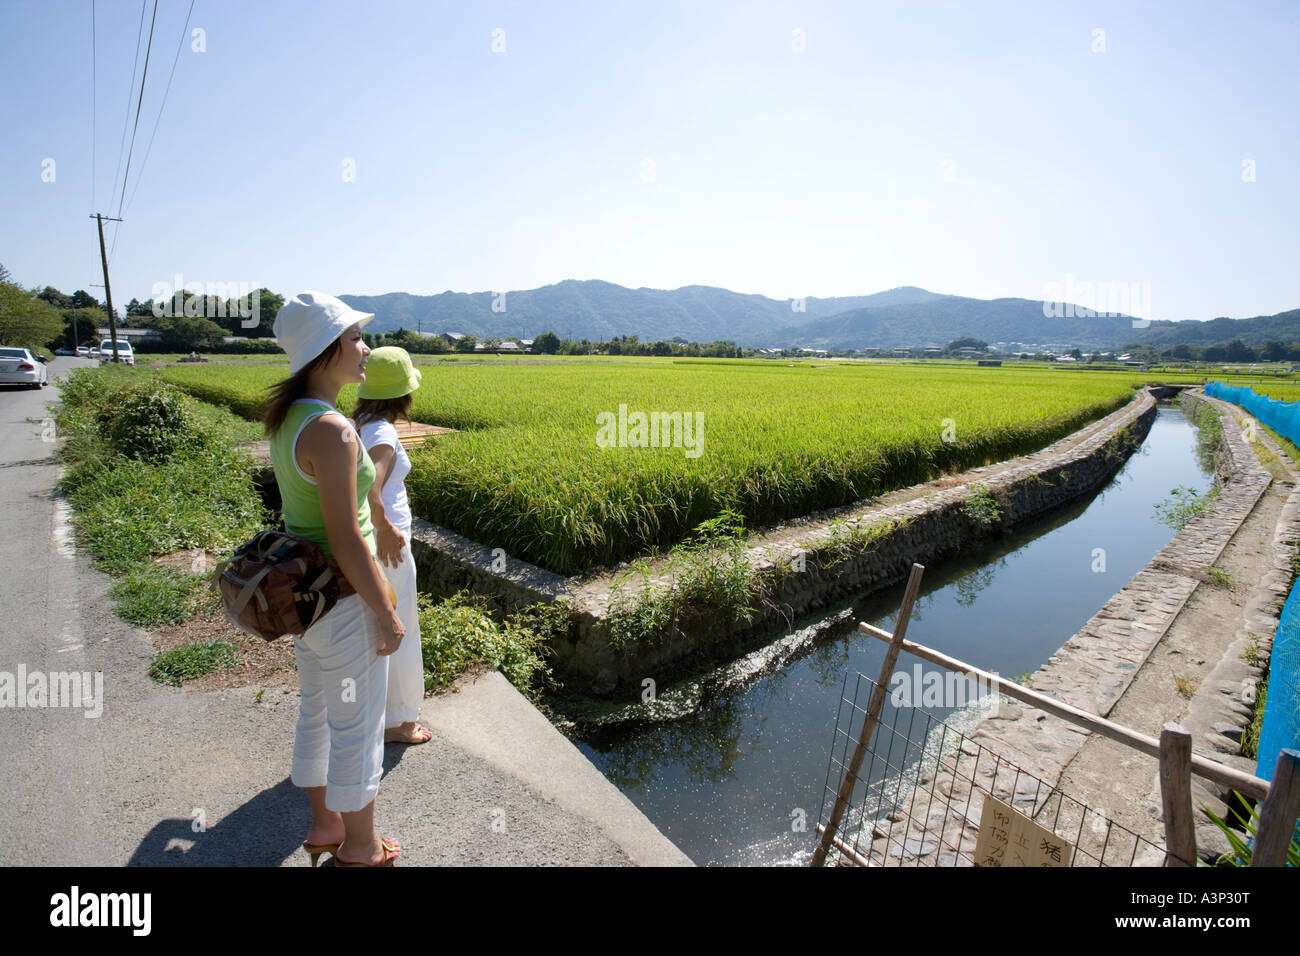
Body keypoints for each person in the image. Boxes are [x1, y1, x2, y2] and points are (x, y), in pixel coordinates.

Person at [264, 291, 405, 867]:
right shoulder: (333, 430)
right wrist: (388, 612)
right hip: (345, 601)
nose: (365, 347)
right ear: (324, 352)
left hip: (306, 600)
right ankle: (361, 848)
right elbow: (346, 537)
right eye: (353, 338)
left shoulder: (290, 419)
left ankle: (325, 825)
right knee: (357, 726)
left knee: (318, 710)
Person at [353, 347, 433, 745]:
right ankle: (399, 722)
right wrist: (385, 527)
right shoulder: (382, 432)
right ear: (403, 394)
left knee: (377, 625)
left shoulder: (361, 423)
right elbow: (369, 483)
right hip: (390, 546)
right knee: (401, 627)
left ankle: (377, 714)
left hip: (373, 543)